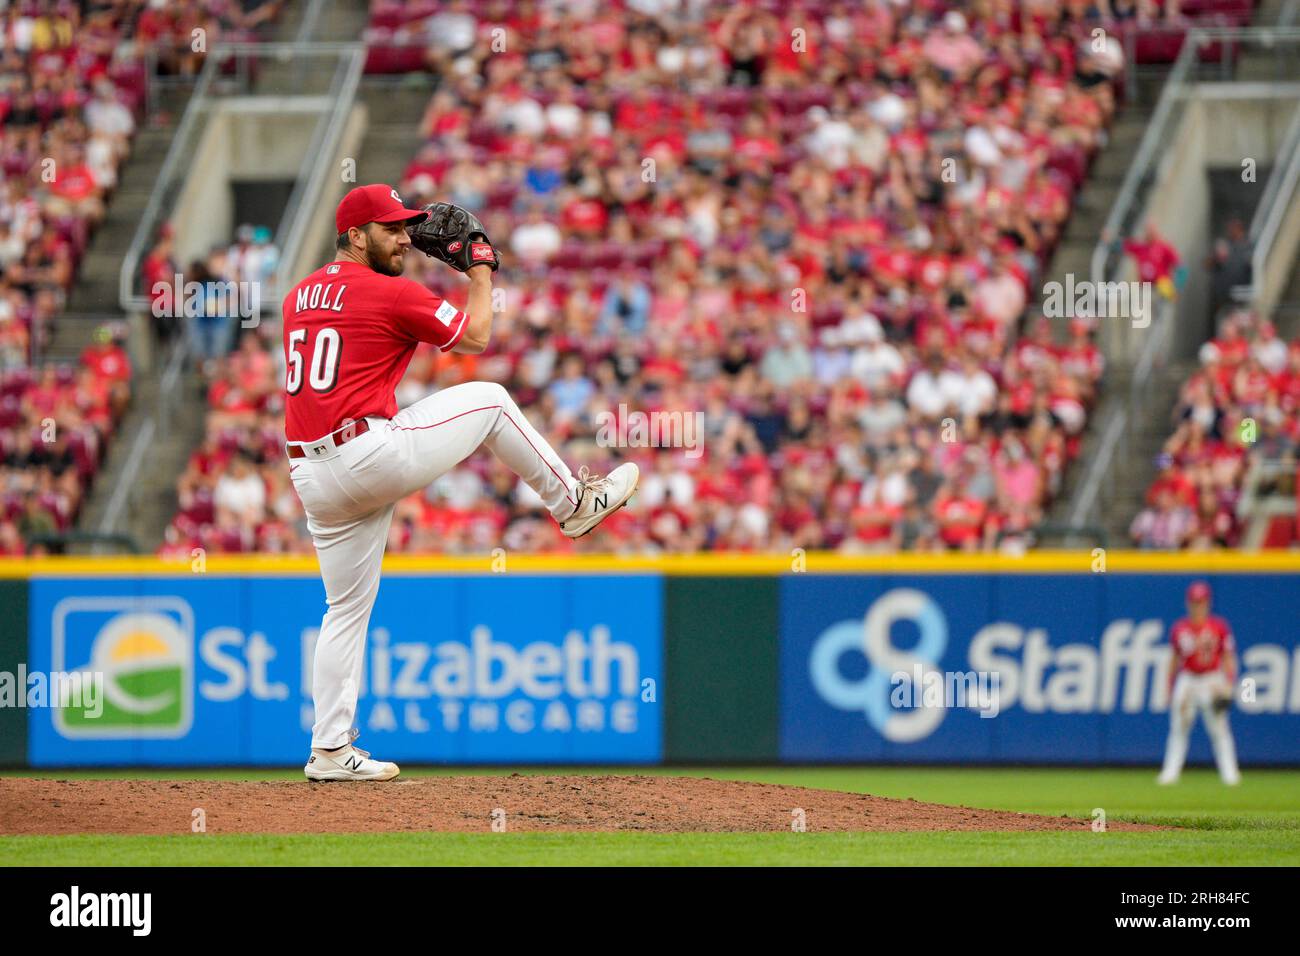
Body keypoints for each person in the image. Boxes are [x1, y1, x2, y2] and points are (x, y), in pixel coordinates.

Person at [285, 184, 638, 782]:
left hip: (311, 473)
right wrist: (478, 270)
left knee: (344, 610)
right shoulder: (389, 291)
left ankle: (328, 752)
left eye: (406, 227)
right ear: (353, 236)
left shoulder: (299, 294)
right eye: (392, 229)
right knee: (493, 400)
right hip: (367, 455)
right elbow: (476, 337)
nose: (405, 237)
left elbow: (351, 331)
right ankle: (574, 503)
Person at [1158, 581, 1241, 786]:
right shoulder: (1180, 628)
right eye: (1195, 602)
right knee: (1179, 726)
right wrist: (1169, 687)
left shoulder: (1219, 626)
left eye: (1201, 601)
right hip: (1187, 678)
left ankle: (1230, 775)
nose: (1198, 606)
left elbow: (1229, 657)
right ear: (1188, 603)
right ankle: (1170, 773)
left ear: (1208, 602)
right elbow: (1174, 659)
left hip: (1212, 678)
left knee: (1219, 729)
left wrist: (1229, 683)